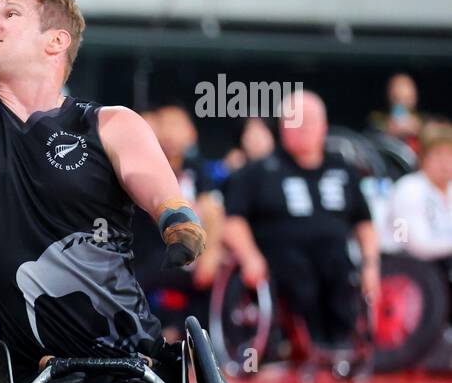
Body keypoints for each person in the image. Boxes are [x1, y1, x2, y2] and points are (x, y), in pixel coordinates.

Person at [0, 0, 204, 372]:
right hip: (19, 369)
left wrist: (174, 214)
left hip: (127, 357)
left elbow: (154, 183)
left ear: (56, 41)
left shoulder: (106, 122)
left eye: (10, 13)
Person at [223, 90, 378, 356]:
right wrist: (249, 257)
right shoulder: (260, 170)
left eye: (310, 121)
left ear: (324, 126)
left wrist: (371, 266)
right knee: (300, 273)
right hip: (282, 256)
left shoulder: (342, 168)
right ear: (283, 127)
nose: (303, 129)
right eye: (295, 121)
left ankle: (342, 343)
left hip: (334, 254)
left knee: (340, 269)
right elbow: (233, 220)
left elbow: (364, 223)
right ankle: (309, 343)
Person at [133, 105, 226, 340]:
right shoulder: (143, 166)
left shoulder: (198, 171)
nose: (169, 133)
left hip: (190, 254)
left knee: (214, 274)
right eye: (163, 124)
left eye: (176, 125)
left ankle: (197, 342)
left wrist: (212, 252)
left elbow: (213, 211)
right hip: (148, 252)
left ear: (191, 133)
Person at [386, 121, 452, 264]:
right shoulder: (408, 189)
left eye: (450, 155)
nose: (445, 163)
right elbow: (418, 246)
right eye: (438, 154)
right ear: (423, 157)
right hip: (406, 267)